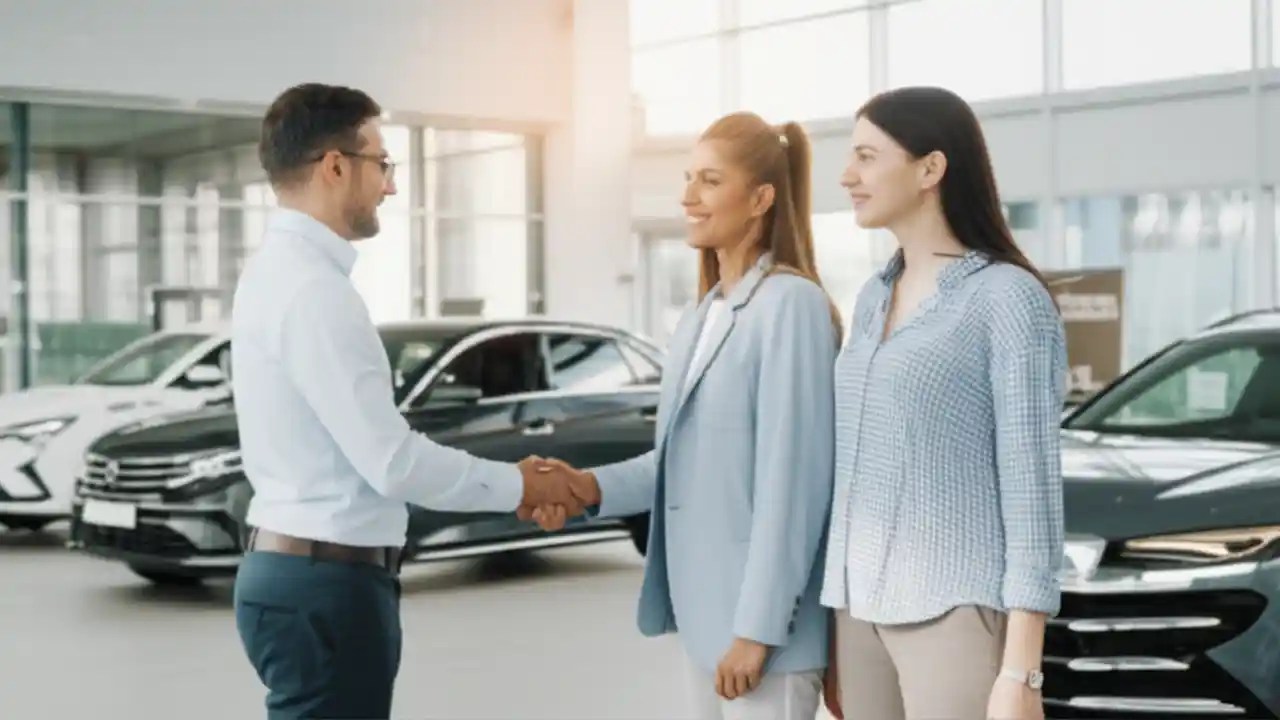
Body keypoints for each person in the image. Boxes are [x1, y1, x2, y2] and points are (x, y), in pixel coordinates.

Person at [229, 83, 579, 720]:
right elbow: (392, 462)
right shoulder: (315, 292)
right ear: (334, 165)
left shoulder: (272, 274)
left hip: (294, 570)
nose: (389, 185)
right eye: (381, 163)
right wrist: (520, 485)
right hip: (327, 584)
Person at [523, 112, 842, 720]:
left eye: (709, 180)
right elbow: (682, 461)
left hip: (761, 634)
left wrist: (758, 629)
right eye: (688, 177)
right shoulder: (702, 316)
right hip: (706, 619)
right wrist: (586, 487)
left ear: (760, 199)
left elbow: (794, 483)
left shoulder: (791, 305)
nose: (687, 196)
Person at [819, 85, 1067, 720]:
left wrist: (1022, 671)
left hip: (954, 611)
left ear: (930, 168)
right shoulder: (873, 296)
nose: (848, 176)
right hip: (857, 611)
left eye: (868, 157)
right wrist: (833, 624)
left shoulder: (1008, 299)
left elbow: (1032, 492)